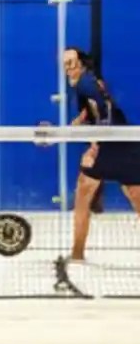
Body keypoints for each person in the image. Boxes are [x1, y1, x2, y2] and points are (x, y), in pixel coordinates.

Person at [60, 47, 140, 261]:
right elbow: (95, 108)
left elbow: (105, 111)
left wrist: (96, 145)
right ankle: (77, 253)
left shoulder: (85, 84)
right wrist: (80, 120)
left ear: (81, 64)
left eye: (71, 63)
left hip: (112, 144)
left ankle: (77, 254)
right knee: (136, 195)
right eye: (64, 64)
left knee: (83, 194)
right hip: (127, 144)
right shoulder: (89, 82)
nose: (67, 68)